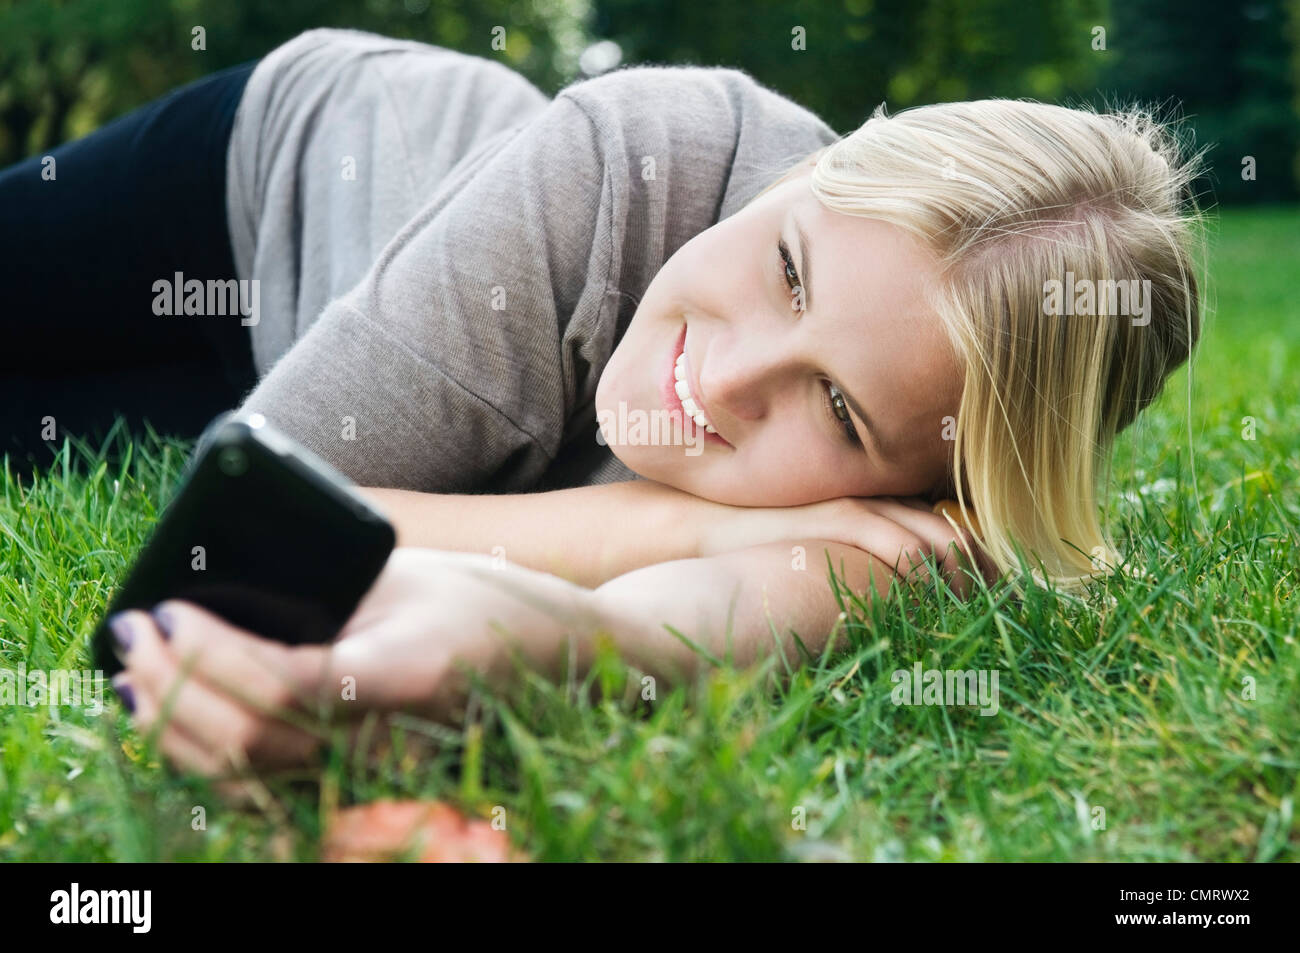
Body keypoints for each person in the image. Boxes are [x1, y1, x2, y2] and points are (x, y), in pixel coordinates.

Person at [4, 30, 1202, 778]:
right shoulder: (631, 153)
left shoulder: (910, 521)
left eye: (838, 409)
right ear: (804, 172)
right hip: (258, 181)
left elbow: (651, 636)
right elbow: (259, 506)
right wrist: (677, 523)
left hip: (272, 362)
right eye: (789, 272)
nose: (721, 380)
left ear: (930, 481)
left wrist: (558, 643)